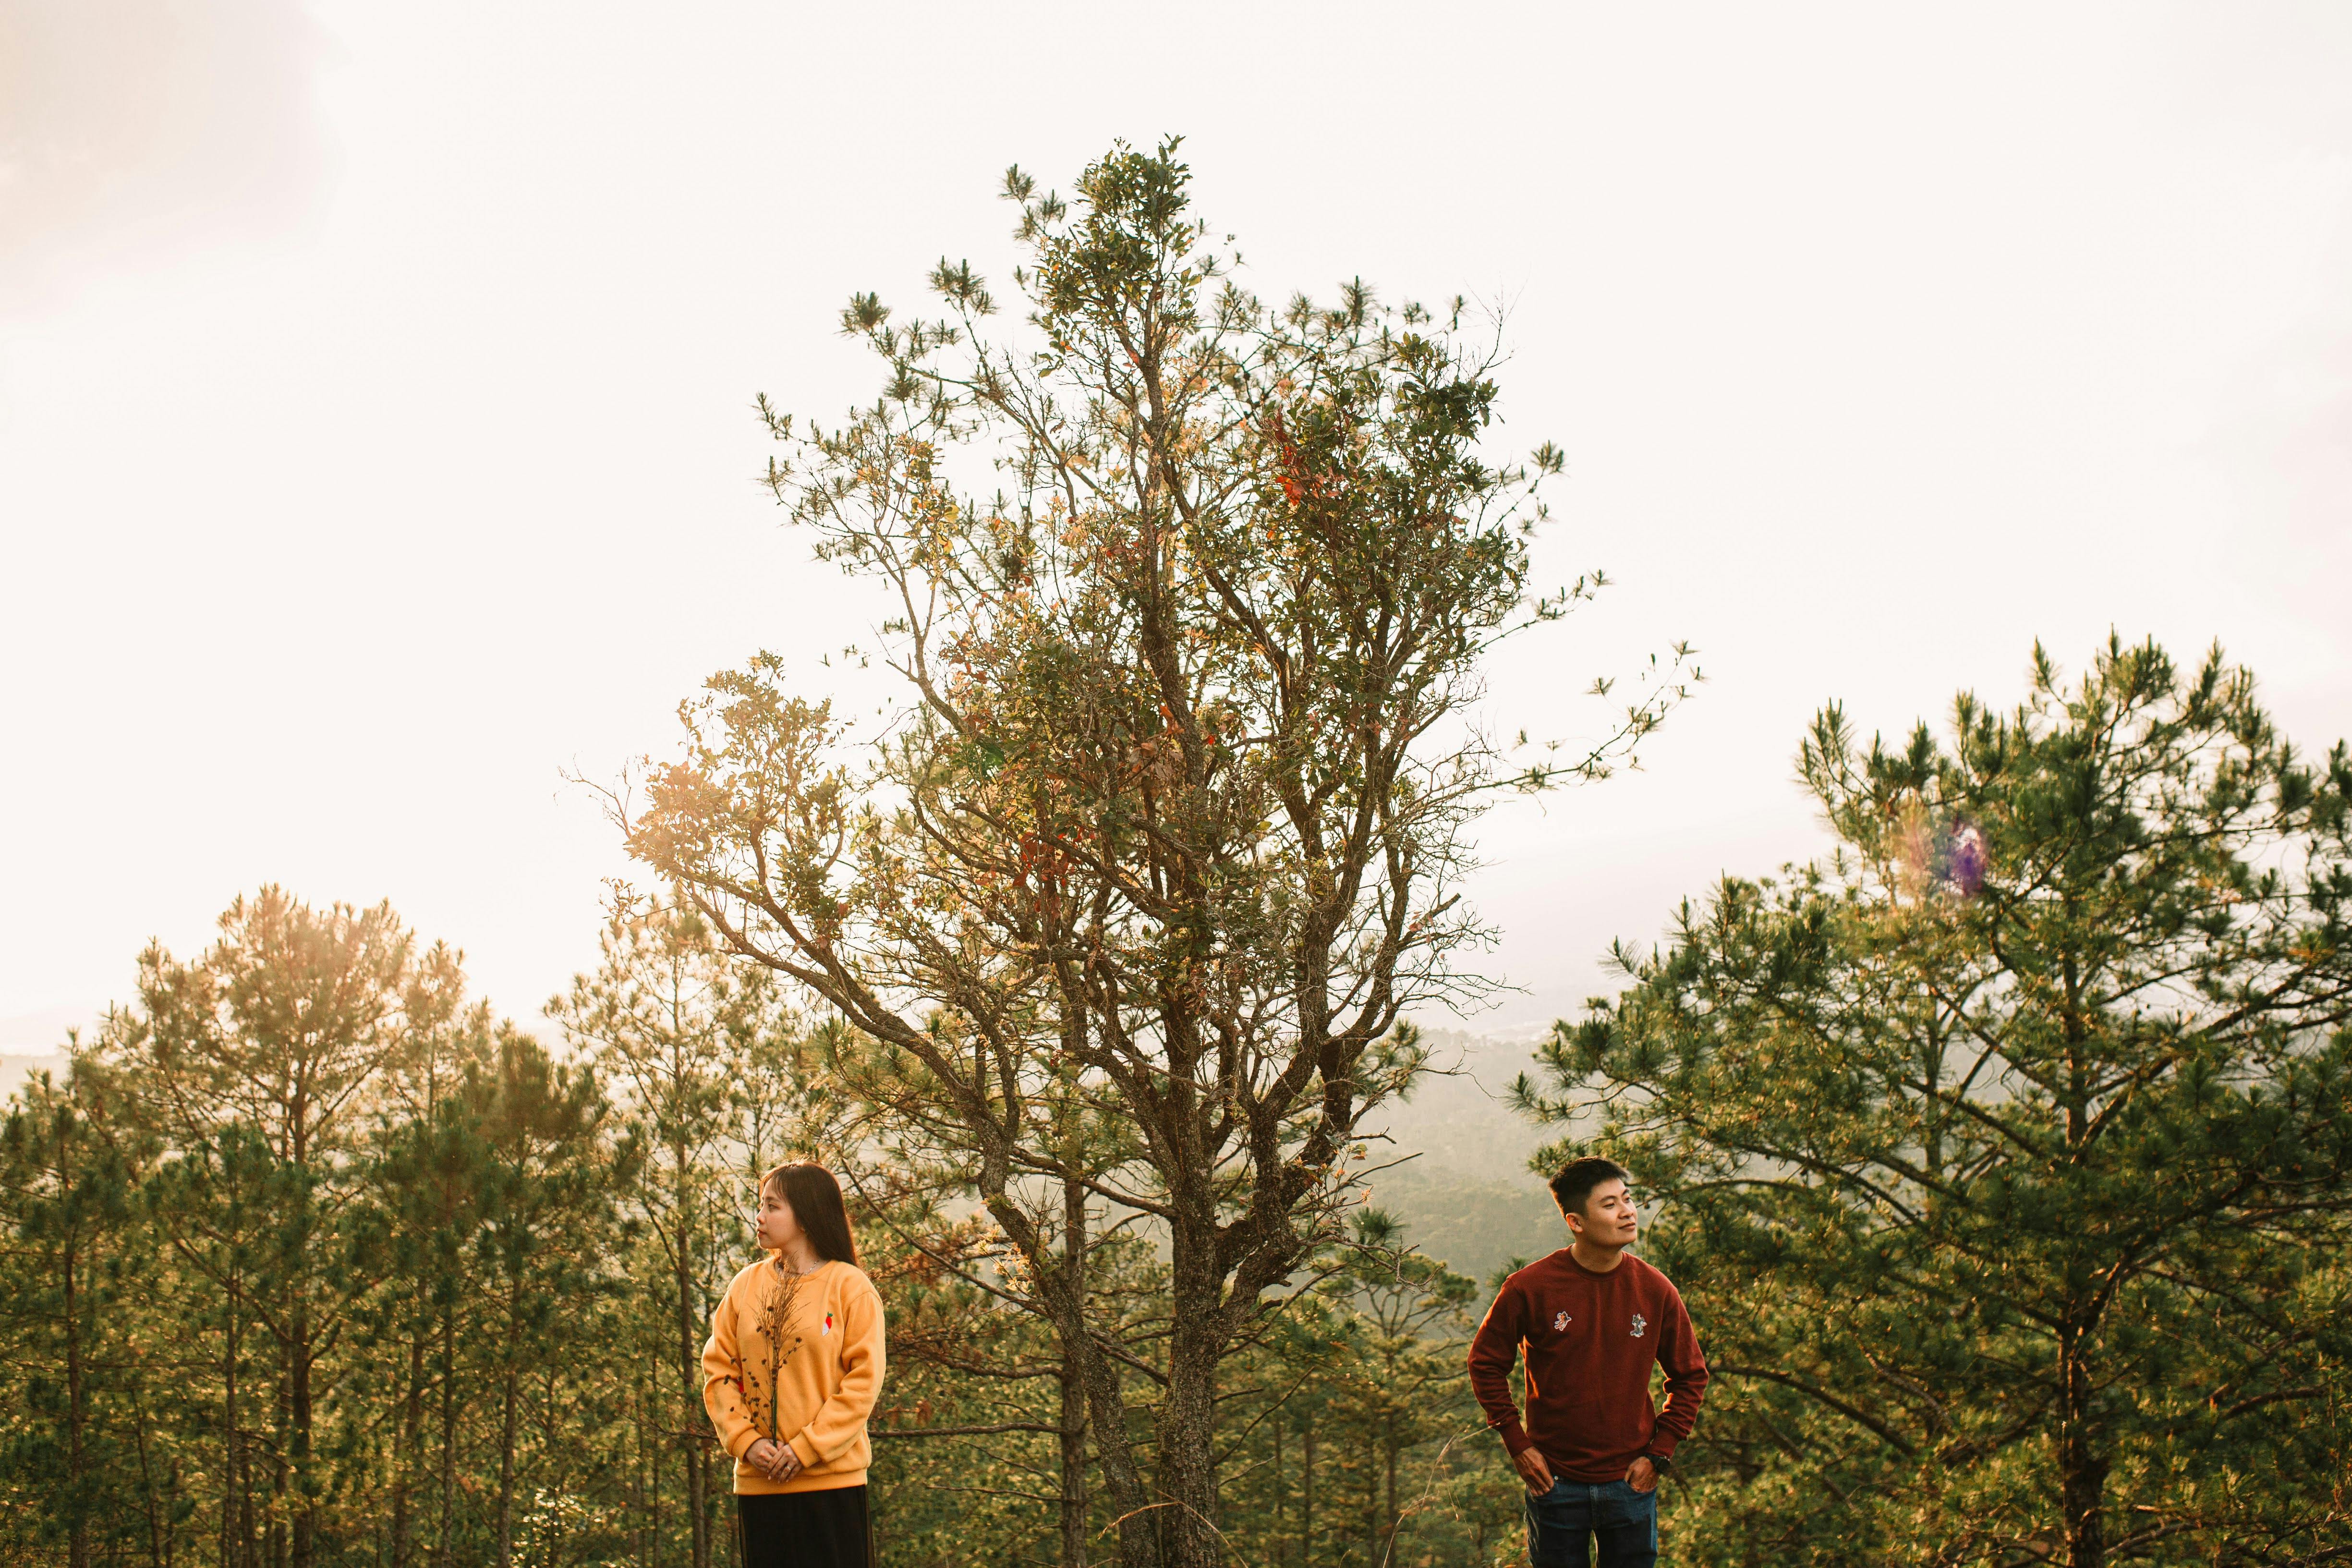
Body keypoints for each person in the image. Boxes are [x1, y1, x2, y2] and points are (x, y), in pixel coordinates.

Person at [1467, 1156, 1708, 1568]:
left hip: (1631, 1481)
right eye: (1610, 1204)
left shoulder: (1655, 1289)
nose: (1628, 1211)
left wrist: (1660, 1453)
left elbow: (1690, 1375)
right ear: (1576, 1221)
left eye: (1628, 1199)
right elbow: (1485, 1363)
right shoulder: (1530, 1287)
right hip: (1555, 1482)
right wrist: (1517, 1444)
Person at [703, 1162, 886, 1568]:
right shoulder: (745, 1285)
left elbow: (863, 1383)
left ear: (805, 1215)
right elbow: (719, 1372)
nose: (760, 1216)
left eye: (773, 1206)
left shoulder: (849, 1287)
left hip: (831, 1485)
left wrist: (806, 1449)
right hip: (759, 1486)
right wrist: (747, 1443)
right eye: (760, 1205)